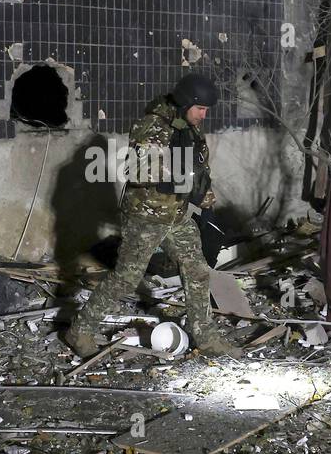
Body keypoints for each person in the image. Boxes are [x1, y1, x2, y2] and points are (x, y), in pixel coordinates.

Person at [64, 73, 242, 359]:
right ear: (186, 103)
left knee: (197, 270)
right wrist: (185, 179)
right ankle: (80, 329)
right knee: (126, 278)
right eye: (200, 109)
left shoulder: (191, 129)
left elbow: (200, 165)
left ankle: (204, 335)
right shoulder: (151, 126)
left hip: (176, 215)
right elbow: (140, 171)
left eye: (206, 110)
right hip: (146, 217)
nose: (203, 115)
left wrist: (203, 192)